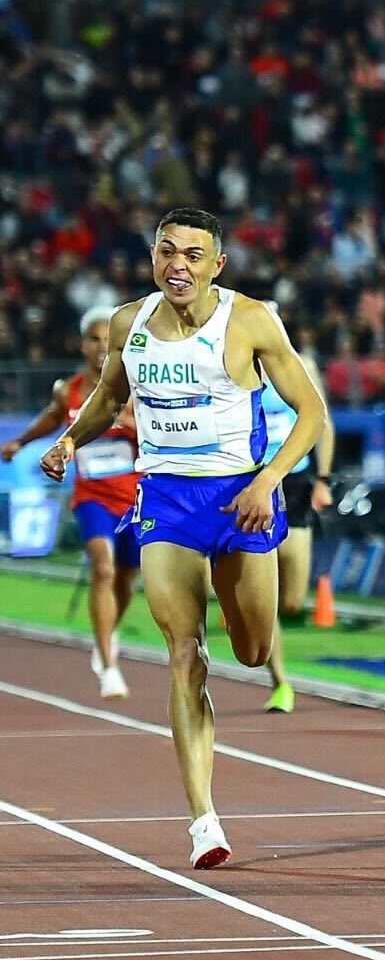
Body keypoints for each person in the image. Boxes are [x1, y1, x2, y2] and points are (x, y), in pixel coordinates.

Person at [40, 207, 326, 870]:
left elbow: (311, 411)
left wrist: (269, 479)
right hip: (167, 498)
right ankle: (203, 820)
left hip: (241, 498)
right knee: (184, 652)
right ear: (152, 257)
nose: (178, 265)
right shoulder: (129, 324)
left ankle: (237, 604)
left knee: (253, 651)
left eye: (193, 255)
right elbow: (107, 398)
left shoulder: (249, 320)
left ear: (216, 265)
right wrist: (68, 440)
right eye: (167, 251)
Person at [2, 307, 141, 699]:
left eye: (108, 339)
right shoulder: (70, 391)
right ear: (83, 345)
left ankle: (107, 632)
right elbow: (51, 418)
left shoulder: (134, 388)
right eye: (94, 339)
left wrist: (128, 422)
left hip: (134, 497)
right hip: (93, 496)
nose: (102, 347)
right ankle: (109, 666)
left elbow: (157, 433)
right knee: (103, 568)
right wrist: (20, 442)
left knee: (126, 578)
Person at [254, 303, 337, 714]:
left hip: (296, 480)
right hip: (253, 481)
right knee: (266, 593)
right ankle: (280, 682)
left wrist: (323, 479)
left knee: (291, 600)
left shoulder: (300, 364)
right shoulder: (235, 364)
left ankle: (260, 612)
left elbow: (323, 422)